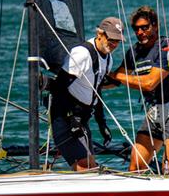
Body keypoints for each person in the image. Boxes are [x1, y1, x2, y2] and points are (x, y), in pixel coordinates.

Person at [107, 6, 169, 174]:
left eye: (144, 27)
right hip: (154, 109)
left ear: (155, 26)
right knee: (135, 167)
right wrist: (91, 80)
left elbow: (149, 83)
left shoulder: (168, 48)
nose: (140, 32)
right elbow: (116, 80)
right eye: (136, 29)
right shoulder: (134, 52)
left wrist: (116, 76)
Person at [49, 17, 123, 171]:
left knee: (90, 167)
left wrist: (101, 123)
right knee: (85, 168)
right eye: (111, 39)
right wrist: (71, 118)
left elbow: (96, 91)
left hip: (82, 119)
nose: (114, 44)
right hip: (65, 117)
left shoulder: (108, 58)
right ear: (100, 34)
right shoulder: (82, 54)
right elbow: (58, 88)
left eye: (118, 41)